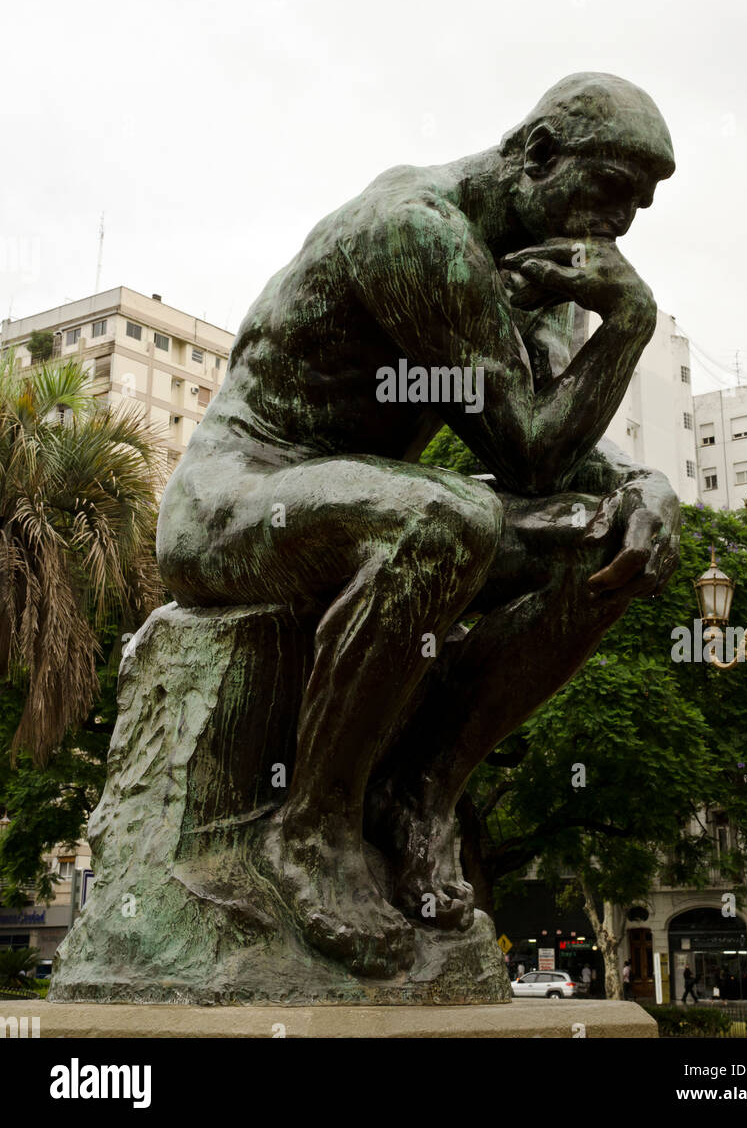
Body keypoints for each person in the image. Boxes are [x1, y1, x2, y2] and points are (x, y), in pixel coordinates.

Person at [156, 72, 679, 977]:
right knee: (447, 517)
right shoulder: (416, 230)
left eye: (640, 204)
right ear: (537, 153)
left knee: (614, 543)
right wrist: (629, 323)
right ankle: (310, 830)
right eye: (609, 191)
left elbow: (573, 447)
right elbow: (528, 450)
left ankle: (419, 792)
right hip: (235, 504)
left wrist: (646, 488)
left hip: (372, 500)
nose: (622, 225)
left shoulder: (540, 277)